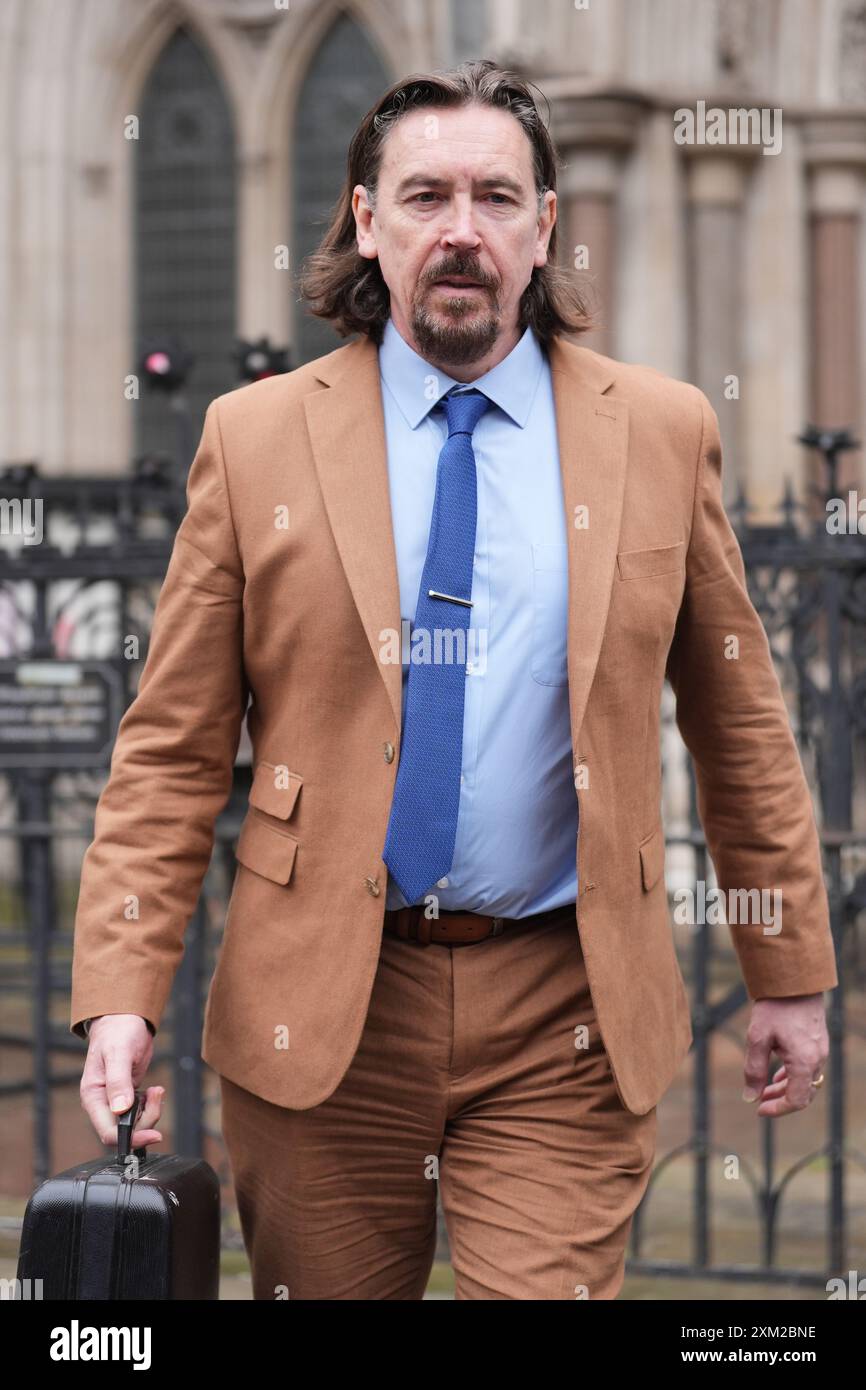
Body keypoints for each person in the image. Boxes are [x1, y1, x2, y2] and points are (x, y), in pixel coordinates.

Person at [72, 59, 837, 1300]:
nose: (462, 231)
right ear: (366, 222)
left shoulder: (660, 431)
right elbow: (169, 749)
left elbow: (738, 716)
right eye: (425, 195)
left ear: (545, 228)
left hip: (564, 1011)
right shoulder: (253, 436)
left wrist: (787, 972)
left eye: (496, 197)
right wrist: (119, 996)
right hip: (319, 1013)